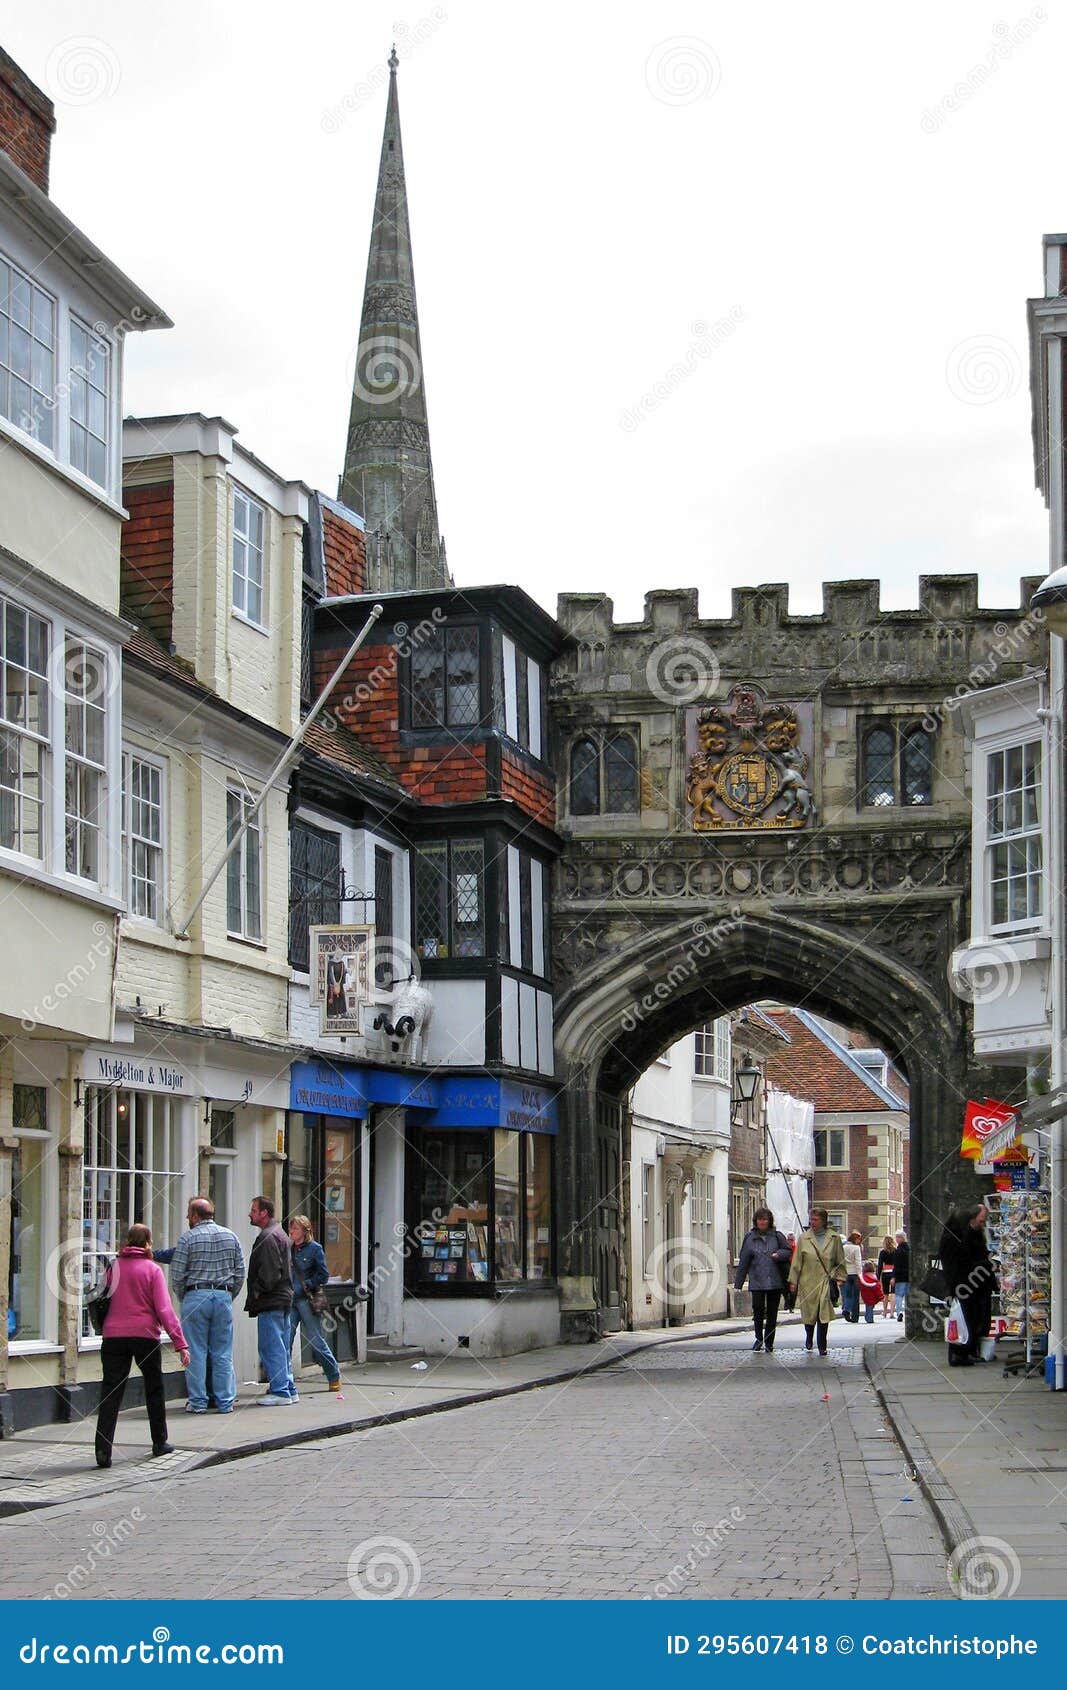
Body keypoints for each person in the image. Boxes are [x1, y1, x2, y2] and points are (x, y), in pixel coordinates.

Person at [94, 1224, 189, 1468]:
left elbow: (99, 1299)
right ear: (148, 1242)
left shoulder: (113, 1268)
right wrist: (180, 1343)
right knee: (154, 1388)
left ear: (127, 1242)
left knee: (111, 1392)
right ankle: (159, 1442)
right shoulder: (152, 1270)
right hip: (144, 1336)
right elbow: (165, 1310)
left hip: (113, 1336)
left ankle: (103, 1451)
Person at [169, 1196, 245, 1415]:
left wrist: (186, 1296)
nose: (187, 1218)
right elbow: (240, 1271)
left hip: (196, 1294)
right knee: (222, 1352)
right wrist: (229, 1295)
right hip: (222, 1296)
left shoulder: (188, 1239)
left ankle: (198, 1402)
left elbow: (177, 1275)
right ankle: (225, 1402)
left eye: (188, 1214)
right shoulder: (231, 1236)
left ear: (194, 1216)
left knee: (195, 1352)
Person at [245, 1194, 297, 1405]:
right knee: (282, 1345)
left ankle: (280, 1391)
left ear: (264, 1213)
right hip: (283, 1298)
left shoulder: (267, 1237)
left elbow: (269, 1273)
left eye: (254, 1210)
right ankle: (288, 1387)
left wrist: (258, 1291)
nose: (250, 1214)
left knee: (271, 1346)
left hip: (272, 1299)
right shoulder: (279, 1233)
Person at [938, 1203, 997, 1367]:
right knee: (964, 1320)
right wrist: (985, 1265)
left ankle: (964, 1352)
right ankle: (960, 1353)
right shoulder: (956, 1238)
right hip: (964, 1285)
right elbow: (962, 1263)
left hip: (963, 1284)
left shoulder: (952, 1236)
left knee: (965, 1320)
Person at [287, 1215, 342, 1392]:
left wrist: (307, 1284)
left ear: (305, 1230)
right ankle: (283, 1382)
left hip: (306, 1300)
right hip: (291, 1300)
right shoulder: (288, 1249)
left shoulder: (314, 1249)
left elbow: (324, 1276)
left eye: (295, 1228)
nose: (292, 1232)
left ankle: (333, 1375)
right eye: (291, 1228)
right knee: (285, 1341)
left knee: (316, 1340)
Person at [733, 1207, 792, 1353]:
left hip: (775, 1281)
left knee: (772, 1313)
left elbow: (787, 1251)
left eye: (765, 1219)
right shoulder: (750, 1238)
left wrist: (779, 1254)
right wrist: (738, 1284)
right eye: (760, 1219)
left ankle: (769, 1342)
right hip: (757, 1280)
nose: (762, 1222)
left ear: (769, 1221)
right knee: (758, 1310)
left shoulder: (777, 1236)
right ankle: (759, 1338)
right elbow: (744, 1261)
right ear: (756, 1221)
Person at [789, 1208, 847, 1355]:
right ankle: (809, 1335)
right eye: (811, 1219)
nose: (812, 1222)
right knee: (809, 1314)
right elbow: (797, 1261)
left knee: (823, 1313)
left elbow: (840, 1260)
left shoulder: (834, 1238)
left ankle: (822, 1344)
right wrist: (793, 1281)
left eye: (816, 1220)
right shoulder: (804, 1238)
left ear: (823, 1221)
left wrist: (840, 1278)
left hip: (825, 1281)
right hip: (807, 1281)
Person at [842, 1230, 864, 1323]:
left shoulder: (844, 1247)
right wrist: (860, 1274)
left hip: (846, 1273)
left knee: (847, 1294)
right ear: (855, 1239)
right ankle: (855, 1316)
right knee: (855, 1296)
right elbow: (858, 1262)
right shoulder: (856, 1248)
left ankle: (846, 1309)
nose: (860, 1242)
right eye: (859, 1239)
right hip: (855, 1274)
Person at [876, 1235, 896, 1318]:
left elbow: (880, 1265)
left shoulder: (882, 1252)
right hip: (894, 1273)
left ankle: (884, 1312)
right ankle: (891, 1313)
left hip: (885, 1273)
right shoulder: (896, 1251)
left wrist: (877, 1277)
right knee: (893, 1293)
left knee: (885, 1293)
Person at [892, 1230, 910, 1323]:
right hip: (909, 1276)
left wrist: (893, 1277)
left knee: (899, 1295)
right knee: (907, 1295)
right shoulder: (909, 1249)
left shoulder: (898, 1251)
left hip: (900, 1276)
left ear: (901, 1238)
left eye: (897, 1237)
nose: (896, 1239)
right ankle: (907, 1312)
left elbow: (896, 1265)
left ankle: (899, 1312)